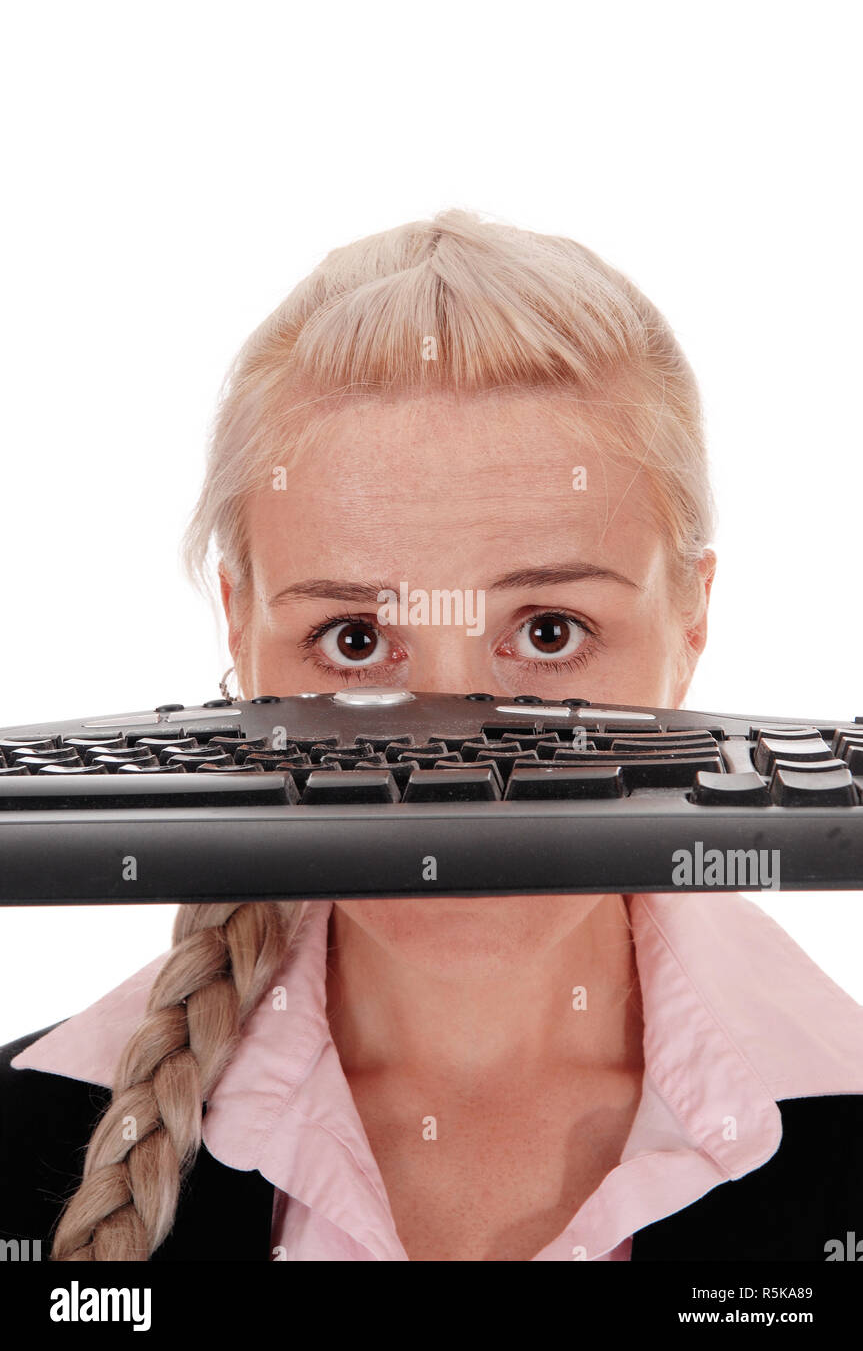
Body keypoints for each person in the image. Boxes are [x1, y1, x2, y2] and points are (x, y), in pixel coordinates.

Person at [2, 209, 862, 1262]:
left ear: (690, 620)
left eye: (548, 632)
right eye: (355, 638)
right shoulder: (21, 1146)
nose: (455, 771)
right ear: (240, 629)